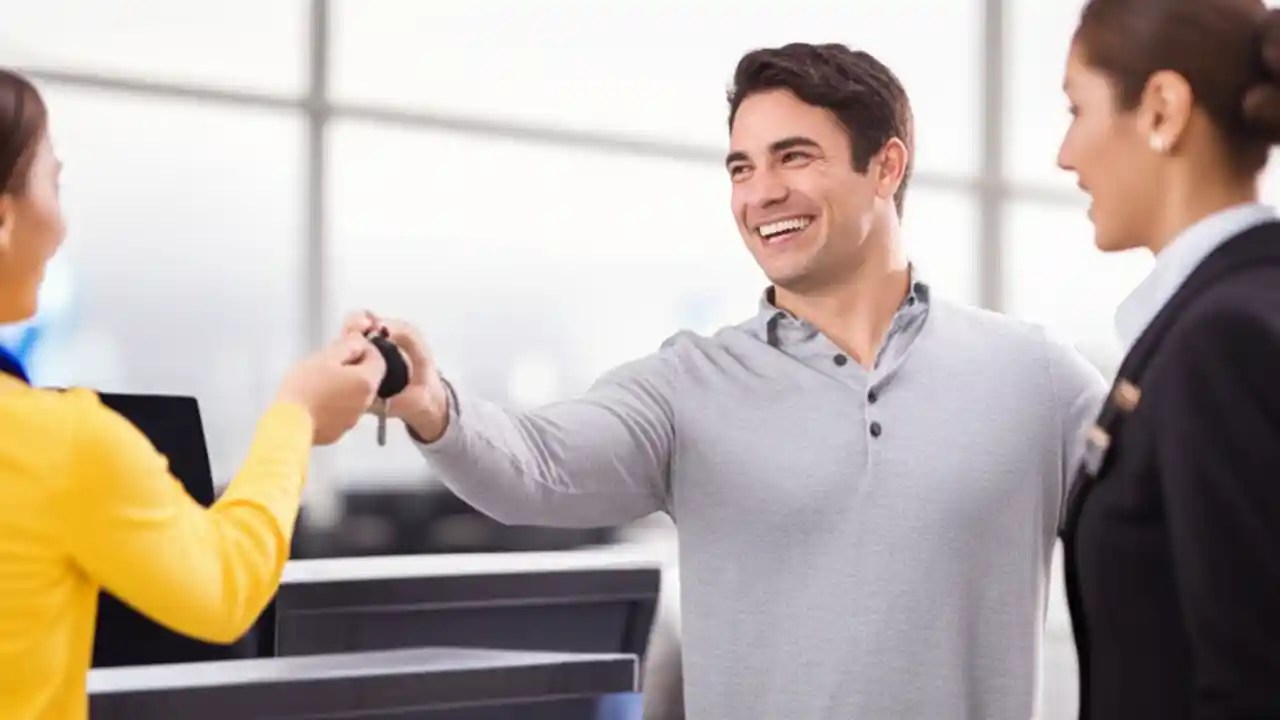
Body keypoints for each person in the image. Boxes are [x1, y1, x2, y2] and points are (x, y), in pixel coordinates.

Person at [348, 43, 1106, 719]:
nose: (760, 193)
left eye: (794, 156)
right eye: (742, 167)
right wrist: (430, 402)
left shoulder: (1035, 379)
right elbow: (534, 467)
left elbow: (1175, 543)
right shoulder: (689, 387)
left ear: (886, 166)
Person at [0, 69, 387, 720]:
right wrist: (297, 415)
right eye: (53, 184)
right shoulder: (55, 443)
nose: (62, 227)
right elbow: (224, 586)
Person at [1055, 1, 1280, 718]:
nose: (1065, 154)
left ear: (1162, 108)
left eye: (1076, 109)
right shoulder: (1237, 312)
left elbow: (1250, 682)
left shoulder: (1222, 342)